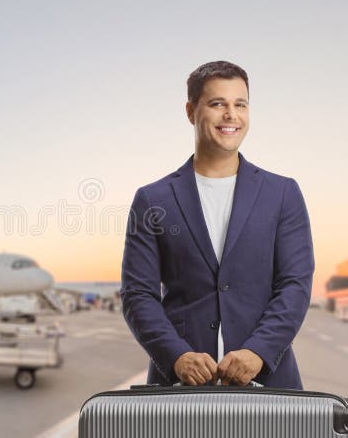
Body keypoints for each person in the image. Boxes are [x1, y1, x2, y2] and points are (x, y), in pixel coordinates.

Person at [121, 61, 313, 389]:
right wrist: (177, 356)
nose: (231, 115)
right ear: (190, 111)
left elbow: (295, 284)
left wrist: (258, 351)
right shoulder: (152, 199)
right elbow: (138, 293)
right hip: (180, 387)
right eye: (217, 103)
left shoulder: (283, 193)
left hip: (269, 382)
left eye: (241, 105)